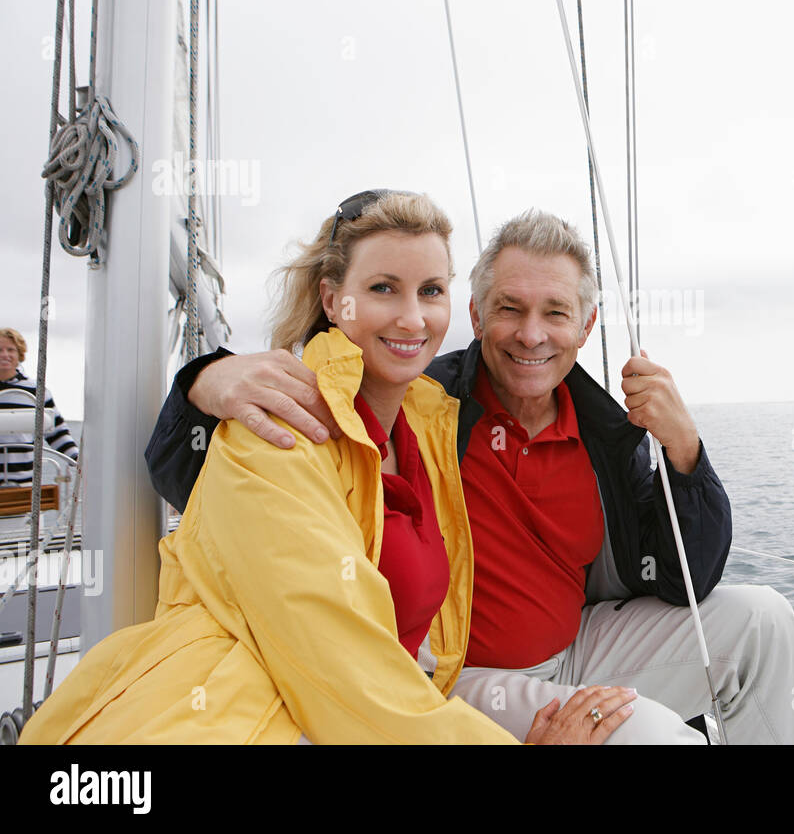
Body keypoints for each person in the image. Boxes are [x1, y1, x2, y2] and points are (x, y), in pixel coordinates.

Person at [145, 209, 794, 744]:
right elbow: (206, 481)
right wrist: (204, 381)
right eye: (509, 308)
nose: (531, 334)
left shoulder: (604, 430)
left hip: (579, 647)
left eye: (554, 312)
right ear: (475, 316)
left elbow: (690, 577)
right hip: (465, 678)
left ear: (585, 325)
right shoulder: (426, 406)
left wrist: (685, 454)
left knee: (764, 620)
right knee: (648, 737)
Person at [20, 191, 633, 744]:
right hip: (229, 720)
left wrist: (682, 451)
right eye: (383, 288)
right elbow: (341, 664)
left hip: (360, 713)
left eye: (430, 291)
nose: (413, 318)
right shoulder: (278, 429)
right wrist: (200, 383)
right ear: (332, 299)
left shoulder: (433, 422)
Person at [0, 327, 79, 486]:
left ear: (19, 354)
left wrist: (78, 460)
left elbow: (57, 432)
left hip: (24, 486)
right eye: (0, 350)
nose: (5, 355)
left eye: (11, 350)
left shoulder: (37, 391)